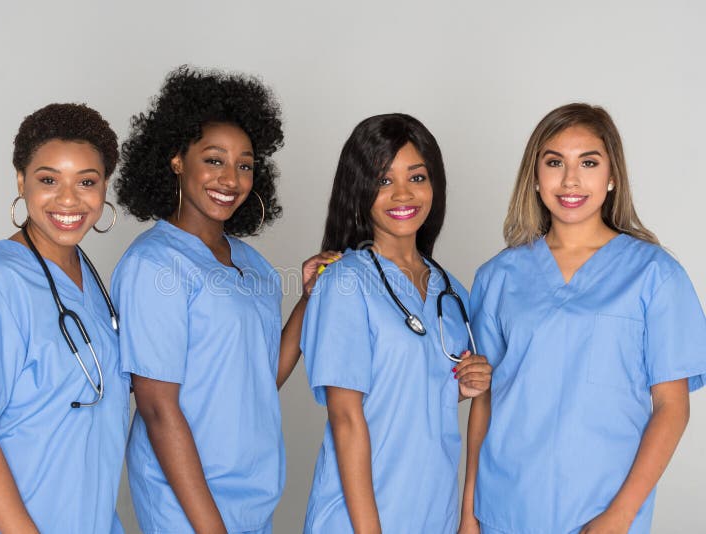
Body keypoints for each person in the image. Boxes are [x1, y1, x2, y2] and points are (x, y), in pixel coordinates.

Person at [461, 103, 706, 534]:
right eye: (554, 162)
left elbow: (672, 408)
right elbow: (483, 401)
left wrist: (619, 516)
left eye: (588, 162)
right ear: (535, 178)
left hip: (603, 509)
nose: (570, 179)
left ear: (612, 176)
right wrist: (468, 514)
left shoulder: (654, 275)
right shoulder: (498, 277)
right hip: (505, 507)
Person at [112, 66, 334, 534]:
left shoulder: (254, 266)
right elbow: (156, 408)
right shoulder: (154, 265)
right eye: (214, 160)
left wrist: (307, 301)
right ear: (177, 160)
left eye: (245, 164)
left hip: (254, 490)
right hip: (186, 498)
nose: (230, 178)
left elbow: (261, 372)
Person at [0, 103, 129, 533]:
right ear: (21, 180)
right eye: (48, 180)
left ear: (104, 188)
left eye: (86, 182)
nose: (68, 199)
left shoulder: (93, 286)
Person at [300, 113, 492, 533]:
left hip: (432, 512)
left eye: (417, 177)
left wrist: (466, 386)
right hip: (360, 520)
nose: (403, 194)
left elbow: (421, 390)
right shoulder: (345, 283)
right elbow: (346, 418)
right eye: (384, 181)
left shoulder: (451, 292)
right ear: (359, 190)